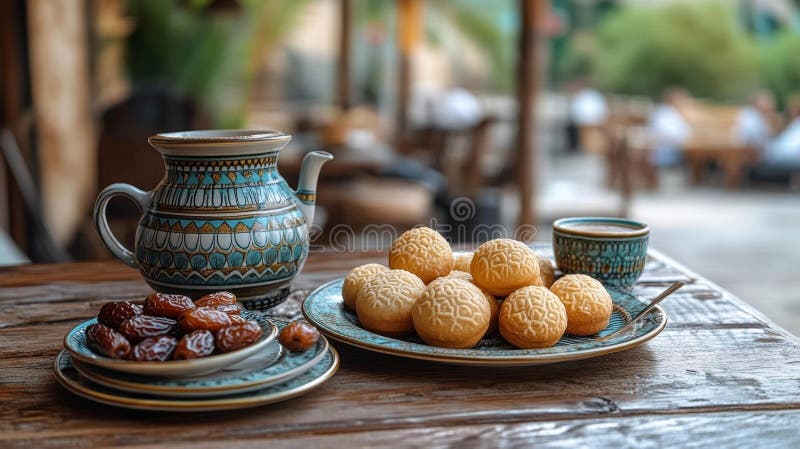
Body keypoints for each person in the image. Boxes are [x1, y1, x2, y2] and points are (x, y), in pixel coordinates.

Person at [648, 88, 692, 167]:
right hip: (665, 152)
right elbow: (669, 134)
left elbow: (686, 130)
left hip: (673, 149)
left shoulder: (673, 113)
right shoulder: (663, 114)